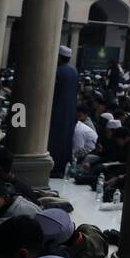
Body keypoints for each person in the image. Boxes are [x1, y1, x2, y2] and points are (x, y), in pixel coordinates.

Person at [47, 45, 78, 179]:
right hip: (70, 111)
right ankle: (63, 168)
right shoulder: (74, 71)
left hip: (57, 110)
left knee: (54, 139)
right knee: (65, 140)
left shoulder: (57, 71)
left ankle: (53, 168)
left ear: (58, 57)